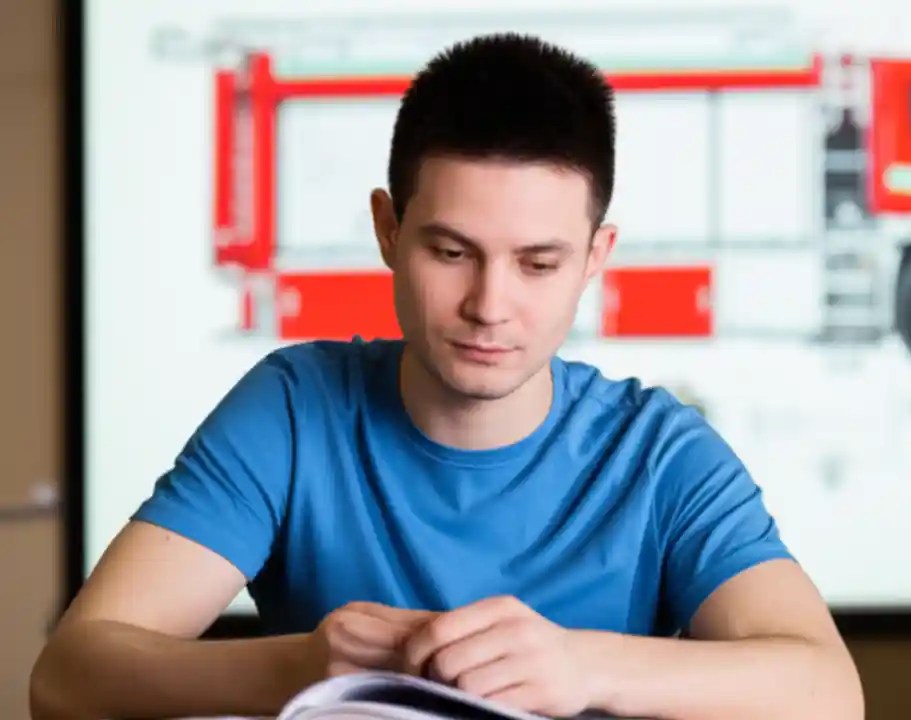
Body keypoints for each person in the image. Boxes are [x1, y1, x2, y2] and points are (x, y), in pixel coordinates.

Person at [30, 33, 864, 720]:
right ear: (388, 231)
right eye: (451, 252)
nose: (489, 305)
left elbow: (829, 694)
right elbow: (67, 677)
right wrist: (303, 663)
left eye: (539, 263)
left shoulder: (658, 452)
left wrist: (582, 667)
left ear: (595, 260)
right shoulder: (292, 410)